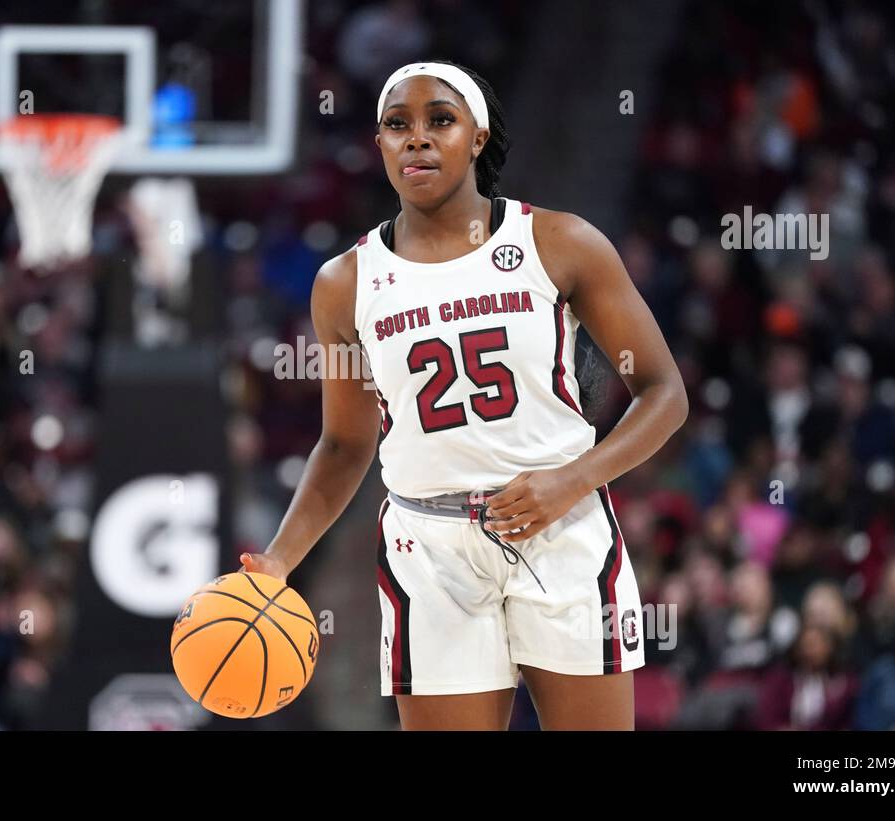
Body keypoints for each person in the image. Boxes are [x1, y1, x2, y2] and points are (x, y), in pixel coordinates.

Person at [240, 61, 687, 729]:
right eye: (398, 125)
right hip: (430, 546)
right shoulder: (345, 282)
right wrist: (278, 559)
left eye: (439, 120)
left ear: (477, 137)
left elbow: (665, 392)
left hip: (559, 532)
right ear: (381, 144)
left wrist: (571, 481)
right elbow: (344, 442)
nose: (416, 138)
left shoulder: (558, 242)